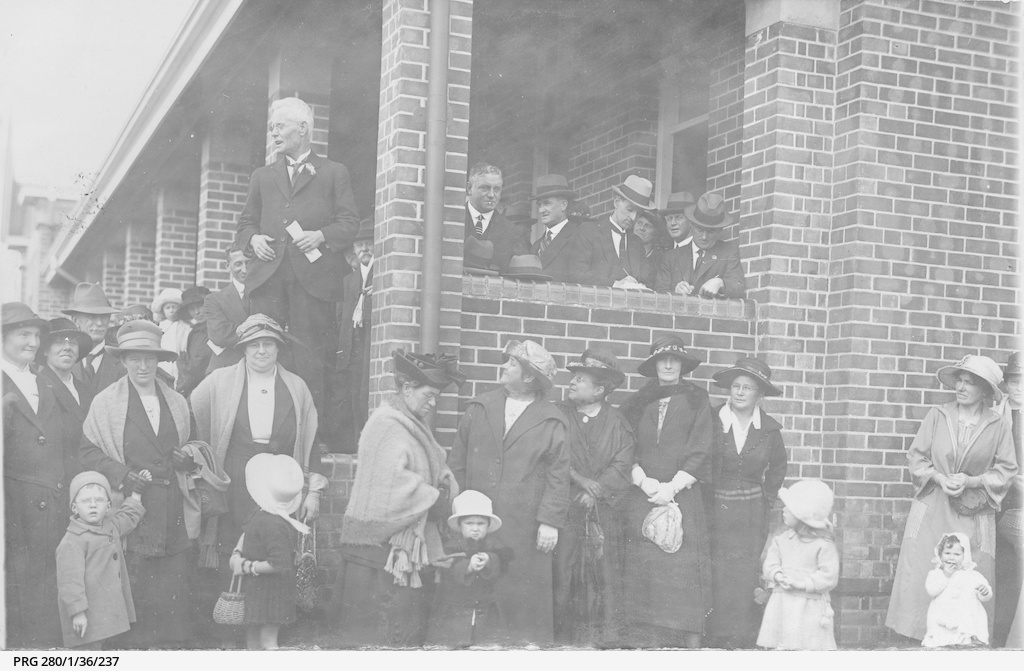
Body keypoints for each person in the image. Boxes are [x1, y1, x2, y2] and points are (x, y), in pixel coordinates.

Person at [236, 96, 360, 429]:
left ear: (303, 129)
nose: (273, 134)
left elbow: (350, 224)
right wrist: (254, 240)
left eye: (280, 126)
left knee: (310, 359)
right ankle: (259, 429)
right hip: (267, 280)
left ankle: (307, 438)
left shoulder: (334, 172)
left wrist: (320, 236)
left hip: (314, 281)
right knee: (260, 351)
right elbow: (245, 223)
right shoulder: (263, 176)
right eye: (271, 128)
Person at [79, 319, 200, 648]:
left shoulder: (176, 400)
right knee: (135, 593)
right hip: (133, 511)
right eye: (135, 358)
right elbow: (88, 451)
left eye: (149, 358)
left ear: (158, 360)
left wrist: (187, 458)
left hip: (172, 509)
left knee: (171, 597)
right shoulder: (106, 403)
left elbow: (195, 444)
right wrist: (119, 473)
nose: (143, 365)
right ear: (123, 360)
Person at [336, 350, 465, 647]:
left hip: (399, 549)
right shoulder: (386, 424)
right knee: (376, 632)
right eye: (429, 395)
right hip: (377, 552)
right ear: (407, 389)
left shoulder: (410, 421)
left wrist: (443, 476)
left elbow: (429, 461)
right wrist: (434, 498)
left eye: (436, 398)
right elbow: (390, 480)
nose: (432, 404)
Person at [886, 354, 1017, 642]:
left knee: (971, 573)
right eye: (959, 379)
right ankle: (918, 640)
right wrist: (939, 477)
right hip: (933, 504)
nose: (961, 386)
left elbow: (1007, 470)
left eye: (970, 382)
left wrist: (973, 480)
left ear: (984, 391)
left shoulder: (998, 425)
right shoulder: (938, 414)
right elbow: (916, 457)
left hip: (973, 511)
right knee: (923, 569)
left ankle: (965, 641)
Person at [449, 339, 570, 646]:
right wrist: (456, 512)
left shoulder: (551, 419)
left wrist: (551, 521)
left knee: (522, 604)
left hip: (525, 528)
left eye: (512, 364)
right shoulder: (480, 407)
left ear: (529, 376)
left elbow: (559, 473)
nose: (504, 367)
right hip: (478, 523)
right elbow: (456, 464)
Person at [190, 314, 327, 564]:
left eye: (268, 344)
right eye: (254, 345)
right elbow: (193, 418)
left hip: (281, 483)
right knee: (231, 549)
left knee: (274, 549)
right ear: (244, 349)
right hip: (235, 479)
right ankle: (230, 602)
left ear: (278, 348)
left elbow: (311, 440)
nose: (261, 351)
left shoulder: (297, 388)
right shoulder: (219, 382)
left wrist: (314, 493)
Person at [618, 334, 712, 648]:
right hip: (643, 495)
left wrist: (672, 487)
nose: (669, 365)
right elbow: (624, 444)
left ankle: (686, 642)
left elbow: (702, 448)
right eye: (662, 359)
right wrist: (642, 480)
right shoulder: (637, 400)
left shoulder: (698, 398)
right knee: (645, 569)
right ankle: (647, 643)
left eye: (675, 360)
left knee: (680, 570)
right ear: (654, 364)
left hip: (681, 494)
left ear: (683, 365)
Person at [552, 346, 634, 645]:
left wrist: (596, 492)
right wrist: (580, 481)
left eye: (580, 379)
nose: (572, 382)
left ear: (600, 390)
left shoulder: (618, 423)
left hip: (604, 514)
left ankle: (601, 641)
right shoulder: (557, 415)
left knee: (603, 577)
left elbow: (623, 465)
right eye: (572, 376)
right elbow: (551, 456)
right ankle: (561, 639)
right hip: (564, 510)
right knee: (563, 572)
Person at [705, 356, 789, 648]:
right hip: (715, 508)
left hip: (752, 512)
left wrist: (765, 498)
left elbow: (778, 467)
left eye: (748, 388)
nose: (739, 392)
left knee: (744, 572)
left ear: (759, 394)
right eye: (736, 386)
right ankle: (713, 638)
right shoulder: (712, 419)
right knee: (716, 569)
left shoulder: (768, 429)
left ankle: (740, 639)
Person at [2, 302, 69, 648]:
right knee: (16, 582)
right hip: (11, 504)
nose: (31, 341)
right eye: (22, 334)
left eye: (35, 335)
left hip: (49, 502)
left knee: (45, 584)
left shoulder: (43, 380)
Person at [228, 453, 310, 650]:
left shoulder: (275, 525)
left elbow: (279, 563)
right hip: (257, 587)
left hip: (273, 590)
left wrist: (247, 566)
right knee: (252, 633)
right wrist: (237, 552)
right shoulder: (260, 513)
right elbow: (246, 532)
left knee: (267, 638)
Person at [56, 471, 146, 649]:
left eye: (98, 500)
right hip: (87, 615)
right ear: (74, 507)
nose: (93, 505)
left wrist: (137, 493)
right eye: (86, 501)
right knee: (88, 650)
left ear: (108, 506)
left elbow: (128, 517)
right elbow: (69, 582)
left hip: (107, 613)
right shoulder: (72, 540)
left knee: (105, 647)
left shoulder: (110, 526)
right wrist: (77, 613)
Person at [756, 479, 839, 650]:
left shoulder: (823, 544)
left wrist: (802, 584)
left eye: (789, 508)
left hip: (809, 608)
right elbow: (770, 563)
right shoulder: (781, 540)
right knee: (783, 646)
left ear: (802, 515)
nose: (784, 511)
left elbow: (829, 576)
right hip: (783, 604)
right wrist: (777, 575)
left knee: (807, 646)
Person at [424, 490, 510, 648]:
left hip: (485, 608)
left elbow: (503, 562)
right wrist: (468, 567)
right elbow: (447, 566)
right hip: (455, 610)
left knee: (486, 644)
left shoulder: (494, 545)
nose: (475, 528)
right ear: (459, 525)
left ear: (488, 525)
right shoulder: (449, 545)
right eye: (469, 523)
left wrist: (489, 560)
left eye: (481, 523)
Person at [655, 192, 745, 298]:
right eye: (700, 230)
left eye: (711, 232)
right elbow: (659, 294)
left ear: (720, 230)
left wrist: (720, 283)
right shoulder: (670, 257)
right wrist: (675, 291)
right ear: (691, 225)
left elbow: (738, 286)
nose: (704, 237)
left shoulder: (728, 252)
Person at [334, 217, 374, 452]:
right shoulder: (349, 280)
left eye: (369, 243)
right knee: (351, 396)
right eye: (359, 245)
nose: (364, 249)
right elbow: (341, 318)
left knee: (365, 394)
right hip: (352, 346)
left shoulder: (381, 273)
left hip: (370, 343)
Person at [35, 317, 94, 478]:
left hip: (83, 478)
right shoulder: (36, 386)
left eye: (73, 343)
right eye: (59, 342)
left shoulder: (86, 391)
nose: (67, 347)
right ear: (45, 350)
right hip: (53, 479)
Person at [569, 175, 652, 287]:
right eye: (630, 209)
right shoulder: (588, 231)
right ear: (616, 202)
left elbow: (647, 281)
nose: (633, 217)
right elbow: (577, 274)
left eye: (638, 213)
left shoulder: (637, 243)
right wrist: (614, 284)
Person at [994, 351, 1023, 646]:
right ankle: (1003, 643)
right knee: (1004, 576)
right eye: (1014, 381)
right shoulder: (996, 416)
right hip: (1002, 503)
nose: (1019, 388)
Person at [922, 532, 993, 648]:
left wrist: (984, 592)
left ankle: (965, 643)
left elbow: (985, 594)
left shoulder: (972, 575)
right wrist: (945, 575)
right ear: (940, 555)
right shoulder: (936, 574)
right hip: (942, 620)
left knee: (965, 644)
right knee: (942, 645)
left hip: (965, 622)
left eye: (957, 554)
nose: (951, 557)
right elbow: (931, 590)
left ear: (965, 556)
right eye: (947, 553)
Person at [63, 282, 125, 403]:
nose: (99, 323)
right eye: (92, 316)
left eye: (104, 316)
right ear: (75, 320)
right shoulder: (62, 358)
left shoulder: (122, 359)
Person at [463, 162, 529, 274]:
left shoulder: (512, 231)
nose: (492, 195)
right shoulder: (452, 221)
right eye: (485, 188)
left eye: (497, 189)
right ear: (469, 188)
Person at [204, 247, 250, 374]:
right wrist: (259, 329)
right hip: (226, 369)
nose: (245, 270)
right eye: (238, 264)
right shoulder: (214, 300)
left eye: (248, 262)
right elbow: (220, 335)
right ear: (227, 266)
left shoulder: (267, 295)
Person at [528, 175, 581, 283]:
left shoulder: (579, 237)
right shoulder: (536, 246)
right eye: (539, 205)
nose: (541, 210)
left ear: (563, 205)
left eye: (547, 203)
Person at [653, 191, 697, 292]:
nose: (673, 223)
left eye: (679, 218)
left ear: (691, 221)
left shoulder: (698, 250)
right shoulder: (664, 253)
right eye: (669, 219)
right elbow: (660, 291)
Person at [174, 285, 212, 397]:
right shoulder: (196, 331)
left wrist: (181, 363)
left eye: (200, 306)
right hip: (194, 388)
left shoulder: (213, 329)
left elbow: (198, 365)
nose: (196, 312)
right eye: (191, 308)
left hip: (206, 389)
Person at [632, 209, 668, 290]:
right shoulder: (624, 251)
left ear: (657, 232)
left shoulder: (661, 259)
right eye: (639, 223)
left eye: (647, 226)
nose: (641, 228)